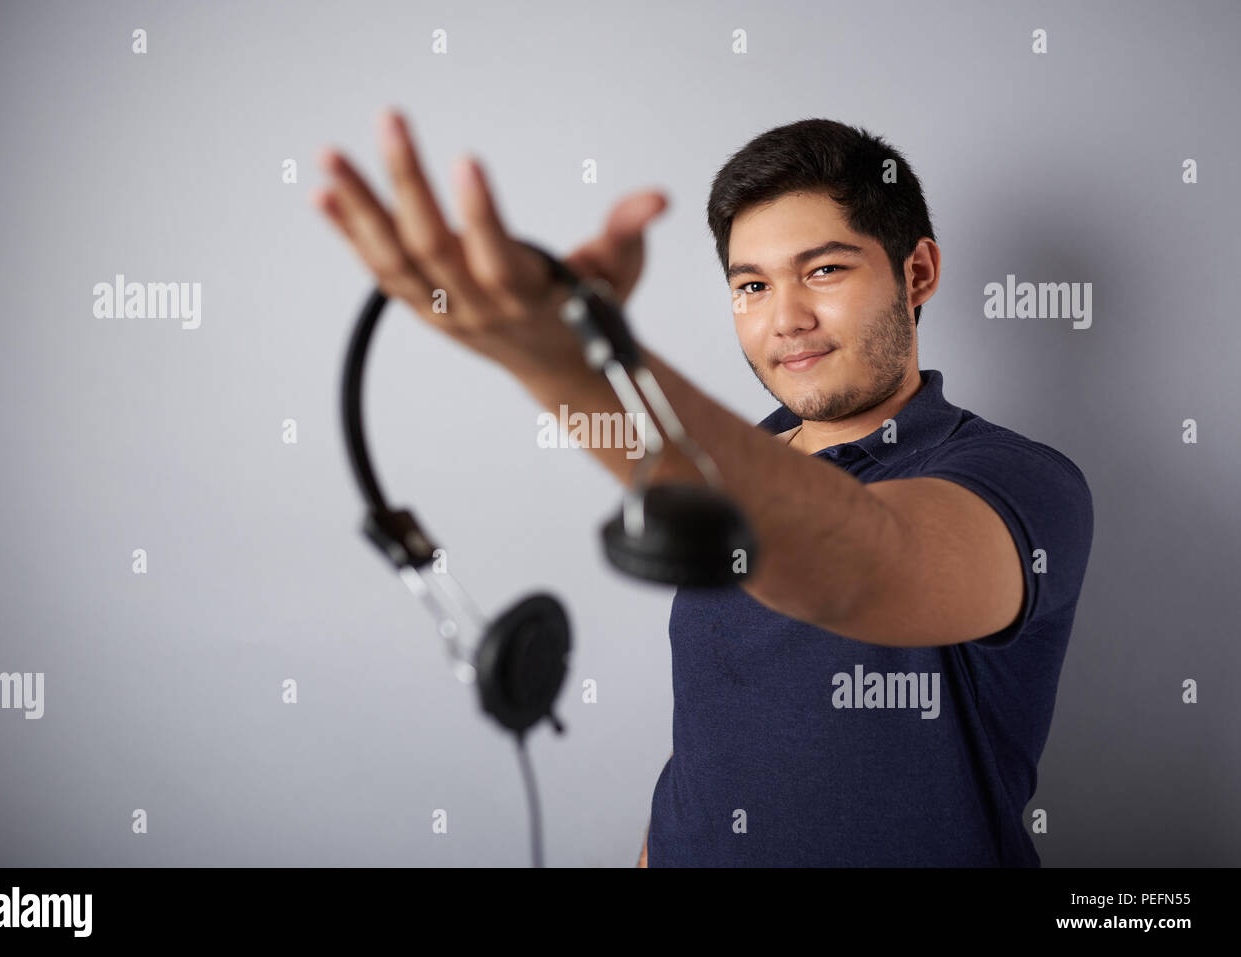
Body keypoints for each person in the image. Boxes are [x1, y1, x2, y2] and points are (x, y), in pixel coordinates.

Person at [313, 111, 1095, 867]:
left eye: (823, 270)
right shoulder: (730, 457)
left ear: (916, 271)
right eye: (750, 286)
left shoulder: (1021, 483)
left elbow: (857, 561)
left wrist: (562, 362)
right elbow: (722, 726)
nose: (785, 319)